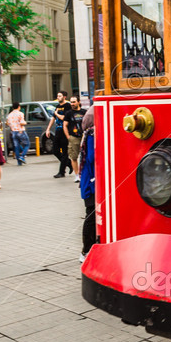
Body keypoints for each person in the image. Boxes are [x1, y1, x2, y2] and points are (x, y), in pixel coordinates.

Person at [78, 106, 97, 262]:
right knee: (91, 215)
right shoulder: (92, 134)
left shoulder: (87, 134)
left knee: (92, 214)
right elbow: (92, 157)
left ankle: (89, 249)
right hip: (91, 183)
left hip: (89, 181)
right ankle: (85, 251)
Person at [45, 92, 73, 178]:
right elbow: (53, 118)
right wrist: (48, 129)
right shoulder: (58, 106)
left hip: (65, 131)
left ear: (64, 97)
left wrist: (57, 114)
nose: (58, 97)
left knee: (64, 152)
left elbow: (64, 118)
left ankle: (61, 172)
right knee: (55, 150)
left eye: (60, 96)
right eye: (57, 96)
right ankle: (68, 163)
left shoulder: (67, 106)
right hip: (58, 131)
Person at [63, 96, 85, 182]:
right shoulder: (68, 113)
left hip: (84, 136)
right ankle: (77, 175)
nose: (72, 104)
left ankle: (84, 174)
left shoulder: (84, 112)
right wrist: (68, 137)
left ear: (78, 102)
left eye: (74, 102)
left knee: (86, 157)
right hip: (73, 137)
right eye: (71, 102)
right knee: (74, 157)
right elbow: (65, 125)